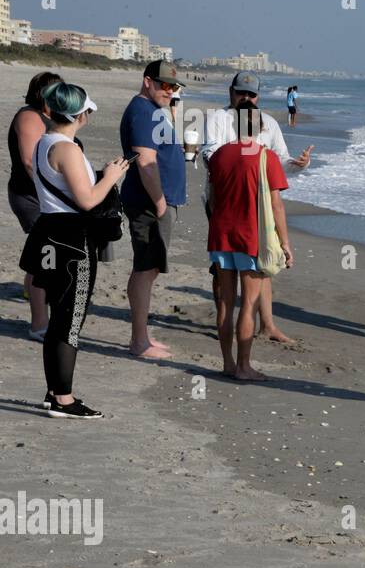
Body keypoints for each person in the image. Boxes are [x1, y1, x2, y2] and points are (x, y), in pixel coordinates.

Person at [20, 83, 130, 418]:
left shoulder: (45, 142)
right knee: (69, 320)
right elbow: (86, 200)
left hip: (49, 233)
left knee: (58, 317)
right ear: (81, 114)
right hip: (71, 241)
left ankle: (55, 391)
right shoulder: (66, 149)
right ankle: (63, 399)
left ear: (50, 111)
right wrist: (111, 176)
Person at [202, 71, 312, 343]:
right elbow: (209, 155)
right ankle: (227, 328)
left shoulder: (269, 123)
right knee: (223, 270)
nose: (246, 98)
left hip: (260, 203)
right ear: (231, 92)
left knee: (265, 260)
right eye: (241, 93)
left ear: (258, 96)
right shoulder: (218, 118)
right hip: (225, 201)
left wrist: (298, 165)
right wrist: (243, 157)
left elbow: (280, 161)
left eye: (251, 94)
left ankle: (268, 325)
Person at [206, 104, 293, 381]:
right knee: (249, 303)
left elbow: (214, 196)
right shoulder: (266, 157)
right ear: (262, 129)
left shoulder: (219, 155)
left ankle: (228, 364)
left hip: (221, 233)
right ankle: (244, 367)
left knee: (224, 303)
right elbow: (276, 206)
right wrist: (285, 243)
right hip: (250, 237)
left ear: (236, 126)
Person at [119, 59, 187, 359]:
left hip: (155, 201)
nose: (169, 91)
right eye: (164, 85)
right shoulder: (142, 112)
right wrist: (160, 204)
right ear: (147, 81)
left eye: (174, 87)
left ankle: (142, 336)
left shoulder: (154, 111)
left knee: (150, 268)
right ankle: (139, 341)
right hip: (148, 203)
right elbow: (146, 163)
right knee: (146, 268)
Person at [7, 71, 62, 340]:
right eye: (58, 92)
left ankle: (34, 296)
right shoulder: (29, 116)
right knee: (46, 259)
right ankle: (40, 324)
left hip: (48, 198)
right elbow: (30, 162)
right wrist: (53, 192)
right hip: (31, 198)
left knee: (43, 254)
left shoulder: (54, 119)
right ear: (44, 94)